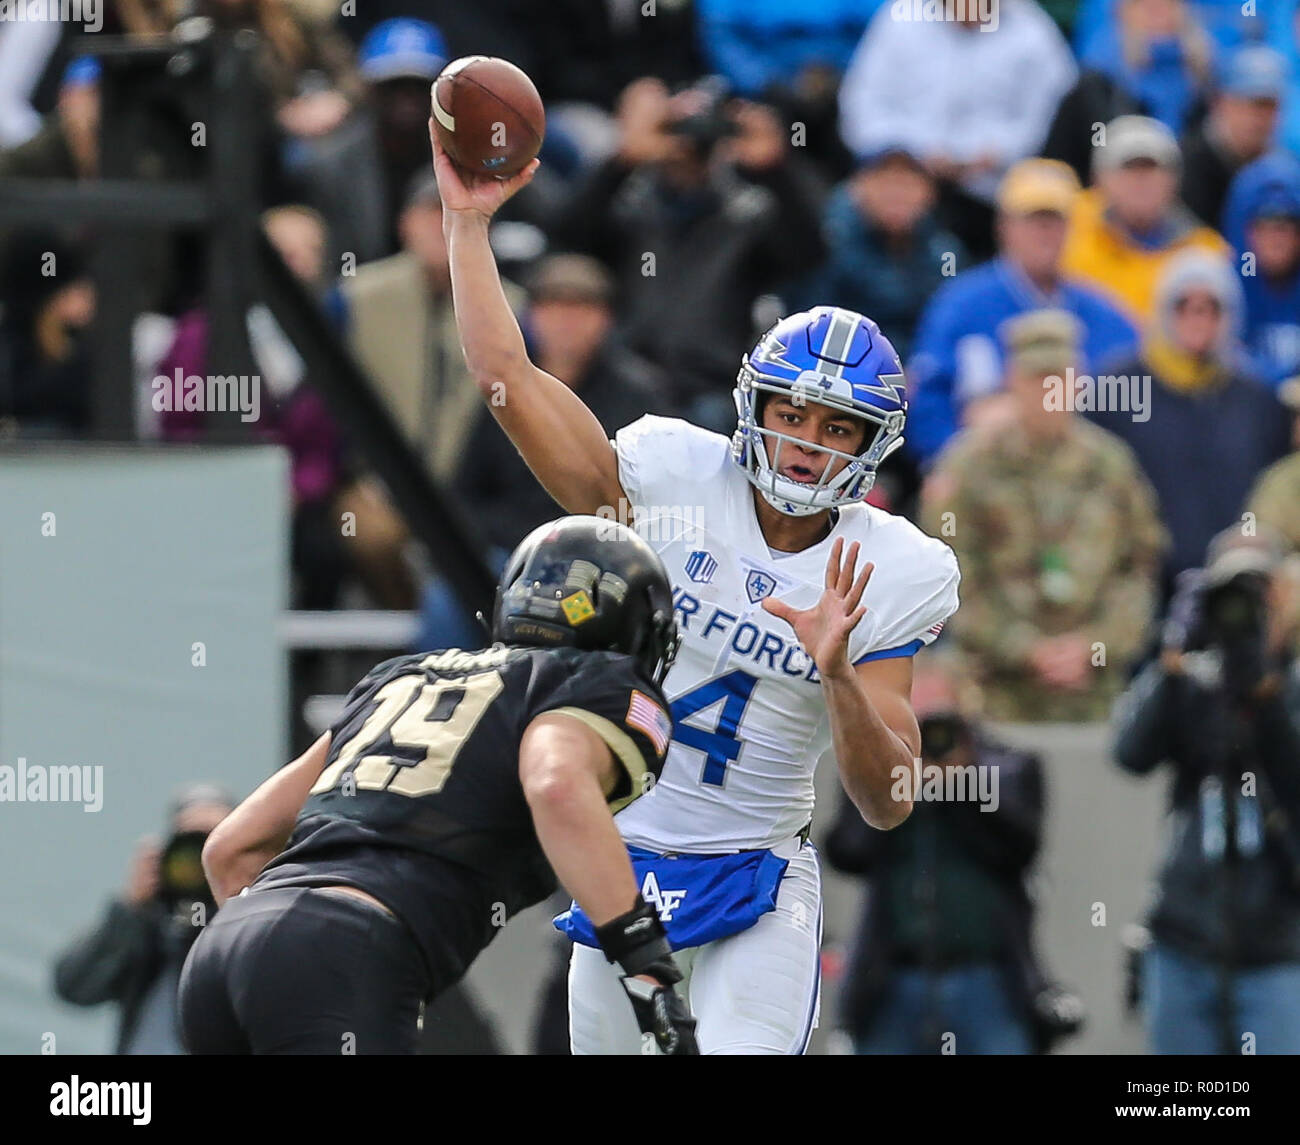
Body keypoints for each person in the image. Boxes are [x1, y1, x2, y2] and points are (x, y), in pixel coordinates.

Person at [433, 135, 960, 1055]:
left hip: (757, 876)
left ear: (874, 444)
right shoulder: (674, 475)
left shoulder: (893, 565)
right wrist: (468, 223)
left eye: (837, 425)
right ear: (754, 407)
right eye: (791, 413)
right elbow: (507, 380)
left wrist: (837, 672)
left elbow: (891, 800)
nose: (805, 440)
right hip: (621, 865)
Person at [179, 516, 698, 1055]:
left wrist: (272, 960)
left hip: (220, 956)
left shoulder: (402, 679)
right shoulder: (591, 684)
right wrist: (647, 968)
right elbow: (556, 785)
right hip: (344, 951)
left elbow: (228, 850)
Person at [825, 656, 1083, 1055]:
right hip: (893, 978)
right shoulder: (878, 767)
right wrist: (895, 784)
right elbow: (847, 853)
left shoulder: (1009, 764)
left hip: (988, 978)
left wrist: (963, 782)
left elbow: (1020, 848)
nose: (928, 730)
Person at [920, 310, 1165, 722]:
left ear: (1079, 382)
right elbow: (946, 577)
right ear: (1013, 381)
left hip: (1095, 689)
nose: (1049, 392)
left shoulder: (1112, 466)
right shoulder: (970, 468)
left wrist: (1094, 645)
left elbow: (1139, 569)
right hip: (992, 687)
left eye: (1061, 378)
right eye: (1037, 379)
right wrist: (1023, 648)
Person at [1114, 526, 1300, 1054]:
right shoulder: (1195, 683)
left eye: (1259, 591)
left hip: (1279, 941)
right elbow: (1130, 754)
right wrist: (1173, 660)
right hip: (1184, 936)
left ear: (1284, 596)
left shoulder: (1293, 686)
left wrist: (1264, 685)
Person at [547, 75, 826, 426]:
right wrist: (623, 160)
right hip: (623, 380)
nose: (690, 148)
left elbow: (807, 257)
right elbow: (565, 241)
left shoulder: (748, 216)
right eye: (677, 129)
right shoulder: (629, 208)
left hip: (710, 389)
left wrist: (774, 170)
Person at [907, 158, 1138, 467]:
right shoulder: (960, 307)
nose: (1045, 232)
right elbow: (924, 404)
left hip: (1084, 486)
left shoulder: (1105, 314)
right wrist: (957, 458)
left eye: (1056, 220)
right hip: (987, 485)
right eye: (1032, 219)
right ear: (1003, 226)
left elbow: (1138, 399)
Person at [1087, 249, 1290, 599]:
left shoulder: (1256, 399)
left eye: (1212, 306)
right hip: (1138, 585)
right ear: (1163, 309)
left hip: (1235, 587)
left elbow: (1276, 491)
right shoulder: (1114, 389)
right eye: (1183, 304)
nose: (1198, 317)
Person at [838, 0, 1077, 259]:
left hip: (993, 184)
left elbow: (1054, 116)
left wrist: (995, 153)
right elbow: (861, 105)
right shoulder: (900, 18)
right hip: (908, 168)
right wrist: (912, 152)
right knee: (861, 196)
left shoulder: (1033, 31)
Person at [53, 785, 234, 1055]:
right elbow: (74, 987)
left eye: (213, 842)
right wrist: (131, 908)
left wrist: (237, 893)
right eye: (189, 845)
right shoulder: (148, 923)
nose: (199, 859)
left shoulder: (246, 923)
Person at [1060, 115, 1229, 327]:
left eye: (1152, 168)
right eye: (1128, 169)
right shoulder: (1070, 242)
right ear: (1100, 179)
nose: (1140, 181)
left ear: (1174, 179)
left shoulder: (1206, 253)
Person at [1179, 44, 1286, 229]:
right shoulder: (1186, 164)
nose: (1257, 118)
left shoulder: (1282, 168)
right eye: (1246, 105)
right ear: (1219, 103)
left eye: (1269, 107)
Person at [1221, 151, 1300, 388]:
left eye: (1285, 226)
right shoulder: (1220, 289)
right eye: (1264, 226)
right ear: (1244, 230)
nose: (1276, 239)